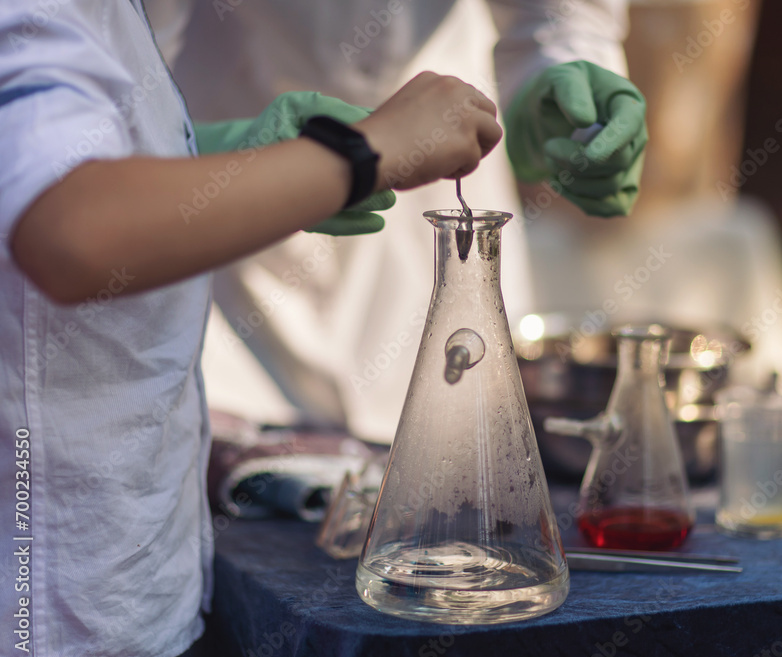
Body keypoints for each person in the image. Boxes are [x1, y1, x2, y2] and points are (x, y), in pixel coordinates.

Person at [0, 1, 502, 657]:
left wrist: (244, 154)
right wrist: (363, 153)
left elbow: (67, 154)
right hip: (47, 625)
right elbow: (68, 230)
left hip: (125, 595)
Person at [147, 0, 649, 444]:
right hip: (217, 243)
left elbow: (557, 14)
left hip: (430, 212)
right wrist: (231, 155)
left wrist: (562, 74)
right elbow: (121, 90)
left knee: (455, 481)